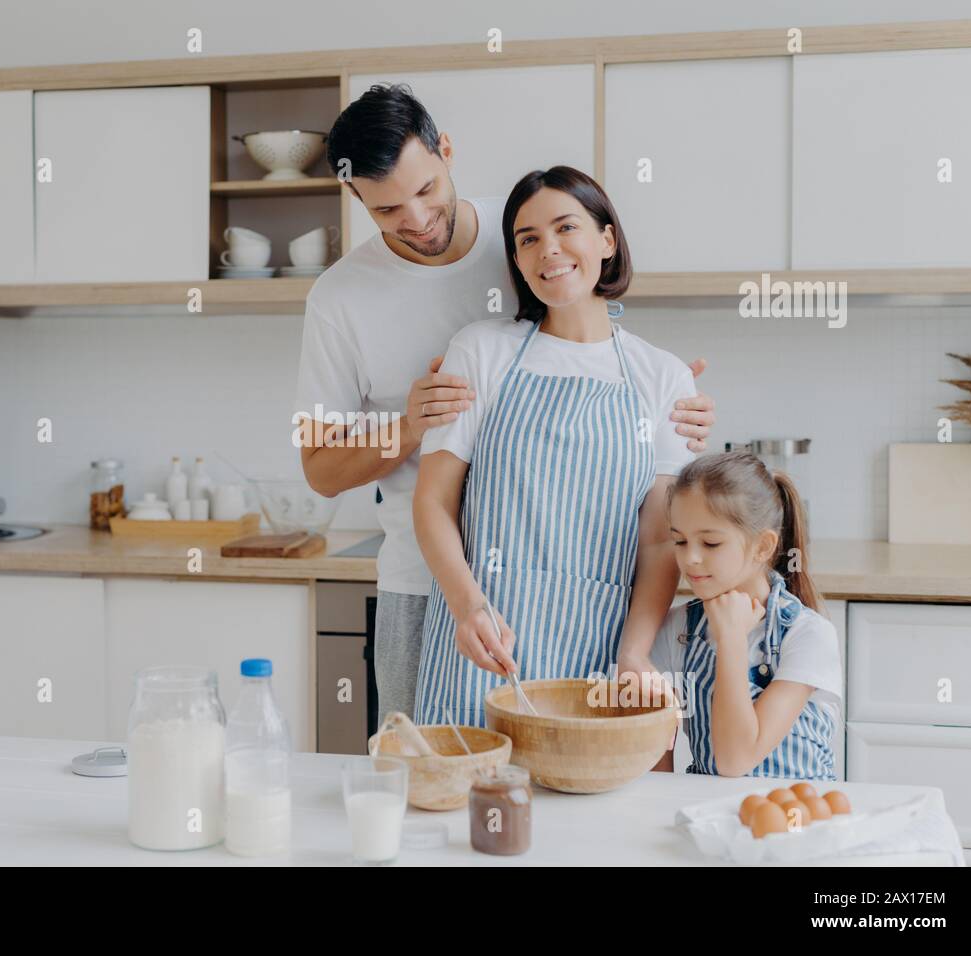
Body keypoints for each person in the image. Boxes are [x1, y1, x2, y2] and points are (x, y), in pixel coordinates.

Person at [294, 84, 716, 724]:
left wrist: (671, 400)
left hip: (592, 604)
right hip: (428, 582)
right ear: (356, 199)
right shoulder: (341, 298)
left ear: (447, 151)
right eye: (386, 210)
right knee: (430, 785)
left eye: (428, 189)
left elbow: (587, 314)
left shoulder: (519, 225)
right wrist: (410, 425)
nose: (415, 218)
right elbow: (320, 470)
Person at [413, 165, 696, 727]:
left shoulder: (663, 377)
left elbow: (659, 537)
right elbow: (432, 502)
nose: (549, 250)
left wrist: (634, 654)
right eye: (528, 239)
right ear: (516, 261)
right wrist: (468, 606)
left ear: (607, 240)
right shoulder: (480, 352)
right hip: (484, 649)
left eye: (566, 228)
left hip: (597, 656)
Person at [649, 451, 841, 780]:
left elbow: (735, 760)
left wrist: (732, 639)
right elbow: (656, 763)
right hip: (709, 821)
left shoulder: (807, 635)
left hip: (797, 821)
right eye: (679, 540)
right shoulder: (676, 630)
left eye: (710, 543)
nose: (690, 559)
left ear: (763, 547)